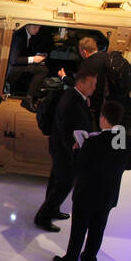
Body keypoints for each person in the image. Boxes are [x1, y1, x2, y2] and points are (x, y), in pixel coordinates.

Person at [53, 100, 131, 261]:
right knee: (98, 229)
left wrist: (77, 150)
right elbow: (128, 165)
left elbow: (79, 168)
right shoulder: (129, 141)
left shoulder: (92, 143)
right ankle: (90, 260)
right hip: (108, 195)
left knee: (79, 230)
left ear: (103, 119)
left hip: (86, 194)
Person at [33, 67, 97, 232]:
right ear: (81, 84)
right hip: (65, 151)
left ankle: (52, 210)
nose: (94, 88)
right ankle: (43, 217)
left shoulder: (75, 96)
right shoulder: (71, 102)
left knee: (56, 181)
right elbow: (67, 132)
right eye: (92, 84)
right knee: (64, 184)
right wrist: (74, 156)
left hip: (59, 148)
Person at [7, 22, 49, 98]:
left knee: (42, 68)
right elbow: (14, 60)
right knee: (43, 70)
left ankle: (35, 93)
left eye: (39, 27)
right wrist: (34, 59)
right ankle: (29, 98)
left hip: (17, 66)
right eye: (35, 27)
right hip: (12, 68)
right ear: (27, 25)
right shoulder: (20, 37)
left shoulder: (27, 35)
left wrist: (37, 56)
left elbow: (24, 53)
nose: (37, 30)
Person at [75, 36, 109, 117]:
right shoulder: (106, 56)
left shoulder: (87, 64)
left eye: (80, 51)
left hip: (94, 104)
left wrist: (63, 77)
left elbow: (78, 86)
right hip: (107, 101)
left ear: (84, 51)